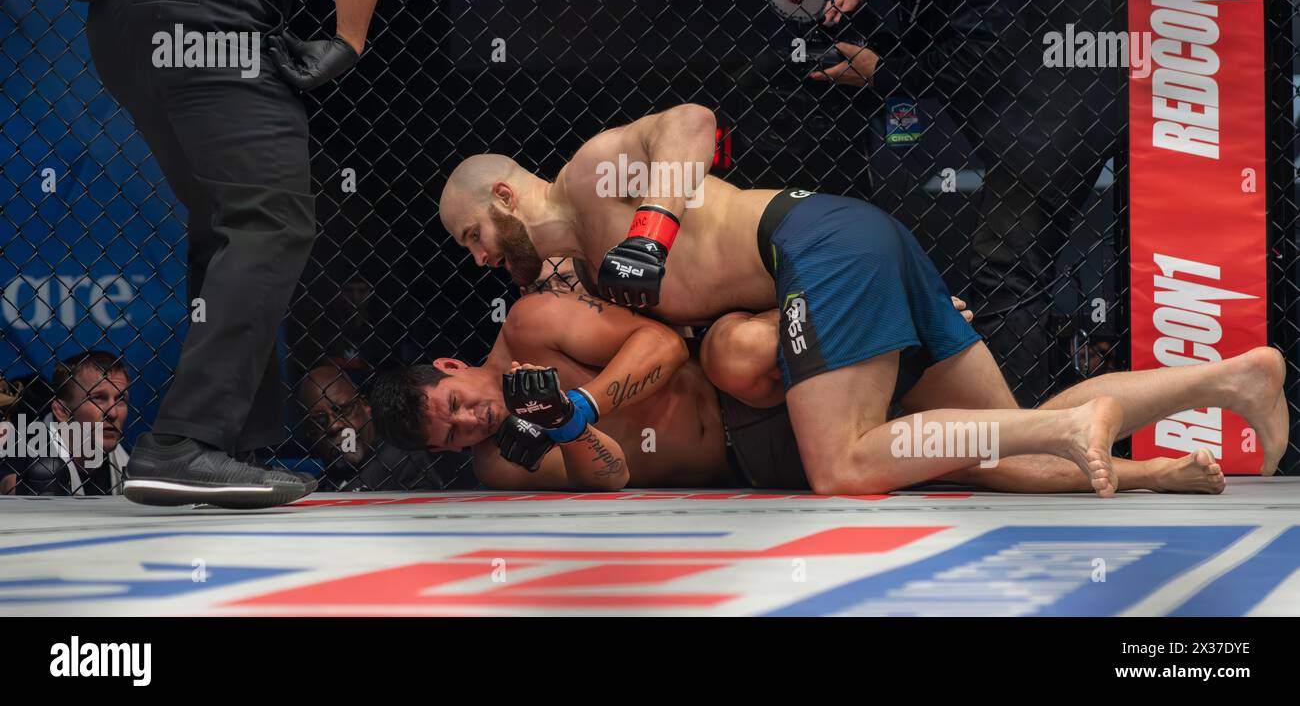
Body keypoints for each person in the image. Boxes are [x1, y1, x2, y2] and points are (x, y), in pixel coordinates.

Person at [438, 104, 1289, 494]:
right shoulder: (582, 274)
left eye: (472, 234)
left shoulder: (591, 176)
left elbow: (694, 121)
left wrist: (653, 226)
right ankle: (1230, 383)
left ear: (506, 197)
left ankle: (1062, 424)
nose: (477, 258)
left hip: (816, 250)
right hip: (842, 263)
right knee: (1010, 467)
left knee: (842, 468)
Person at [40, 0, 403, 507]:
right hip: (209, 12)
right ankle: (184, 443)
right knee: (273, 219)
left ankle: (233, 439)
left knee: (224, 222)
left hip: (122, 28)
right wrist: (351, 37)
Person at [369, 289, 1233, 494]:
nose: (468, 425)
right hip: (759, 452)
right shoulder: (502, 467)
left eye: (453, 408)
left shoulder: (528, 324)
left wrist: (585, 400)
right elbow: (613, 478)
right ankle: (1218, 391)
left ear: (450, 369)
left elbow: (665, 343)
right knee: (989, 446)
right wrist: (560, 430)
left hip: (760, 369)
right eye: (450, 440)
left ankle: (881, 318)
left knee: (741, 347)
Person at [806, 0, 1114, 404]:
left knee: (1004, 267)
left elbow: (980, 59)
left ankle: (1017, 433)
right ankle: (1028, 418)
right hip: (1038, 99)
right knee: (1013, 267)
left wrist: (880, 73)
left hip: (1063, 102)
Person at [297, 365, 461, 491]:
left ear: (365, 406)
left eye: (343, 410)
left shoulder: (406, 461)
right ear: (310, 432)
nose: (335, 425)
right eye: (319, 420)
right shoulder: (320, 485)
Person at [0, 351, 130, 495]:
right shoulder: (22, 459)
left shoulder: (127, 461)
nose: (113, 413)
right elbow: (9, 482)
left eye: (120, 399)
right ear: (62, 411)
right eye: (98, 398)